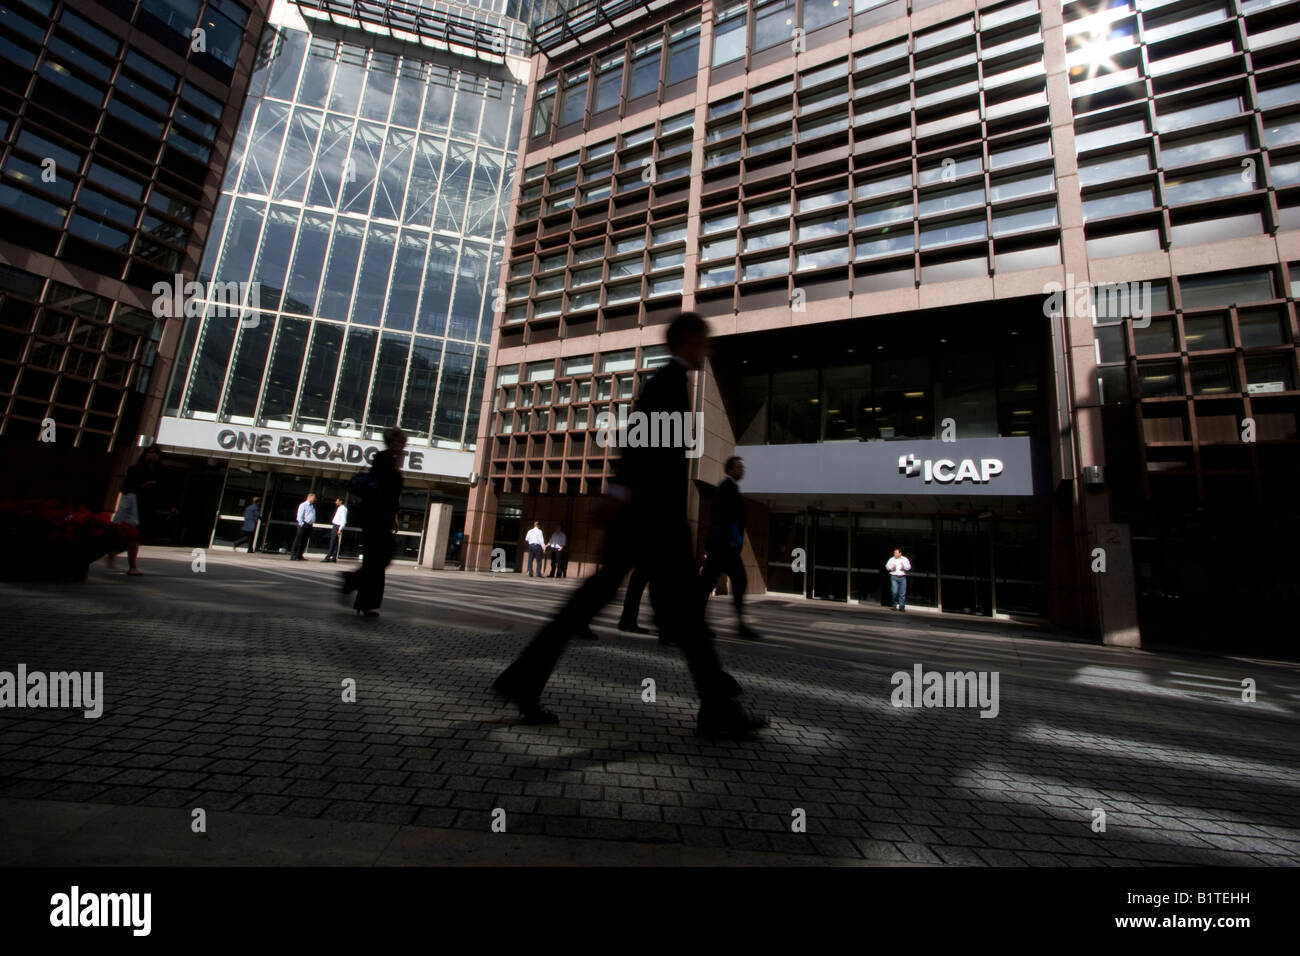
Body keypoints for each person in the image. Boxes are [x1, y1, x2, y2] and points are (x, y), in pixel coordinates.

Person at [493, 312, 766, 738]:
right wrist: (623, 495)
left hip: (643, 522)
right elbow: (644, 451)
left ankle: (523, 679)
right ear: (690, 340)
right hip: (655, 523)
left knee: (602, 604)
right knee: (685, 621)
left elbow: (639, 449)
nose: (708, 349)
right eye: (705, 342)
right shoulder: (669, 384)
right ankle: (718, 712)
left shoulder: (669, 382)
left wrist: (620, 494)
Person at [341, 428, 405, 617]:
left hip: (381, 517)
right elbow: (383, 490)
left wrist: (393, 516)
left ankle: (354, 584)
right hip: (375, 517)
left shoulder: (391, 461)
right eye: (399, 442)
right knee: (377, 559)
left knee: (377, 561)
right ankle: (359, 592)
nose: (402, 446)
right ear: (391, 442)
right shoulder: (383, 459)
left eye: (403, 443)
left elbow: (391, 494)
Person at [699, 456, 760, 641]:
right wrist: (733, 539)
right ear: (730, 469)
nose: (743, 470)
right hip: (723, 547)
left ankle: (738, 624)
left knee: (708, 584)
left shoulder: (730, 488)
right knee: (726, 582)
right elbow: (726, 518)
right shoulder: (727, 488)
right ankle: (738, 625)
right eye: (739, 466)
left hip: (723, 546)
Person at [107, 445, 163, 576]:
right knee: (134, 537)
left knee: (138, 537)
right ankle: (132, 566)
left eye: (156, 454)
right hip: (134, 508)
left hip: (147, 508)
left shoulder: (158, 472)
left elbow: (161, 492)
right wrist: (142, 485)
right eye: (150, 453)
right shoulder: (135, 470)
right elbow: (125, 488)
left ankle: (114, 552)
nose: (153, 456)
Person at [290, 492, 316, 560]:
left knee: (304, 541)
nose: (314, 500)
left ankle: (299, 555)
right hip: (303, 524)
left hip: (309, 525)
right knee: (298, 540)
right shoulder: (303, 505)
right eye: (313, 498)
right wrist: (302, 523)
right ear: (309, 497)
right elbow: (299, 515)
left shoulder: (312, 506)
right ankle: (293, 555)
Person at [323, 497, 347, 562]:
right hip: (335, 525)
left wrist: (340, 529)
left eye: (337, 501)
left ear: (341, 501)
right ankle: (333, 557)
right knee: (335, 542)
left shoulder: (343, 509)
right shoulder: (339, 508)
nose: (336, 502)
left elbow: (343, 520)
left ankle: (328, 557)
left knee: (332, 541)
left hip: (337, 526)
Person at [886, 547, 911, 611]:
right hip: (894, 577)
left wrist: (904, 567)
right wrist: (892, 568)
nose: (895, 554)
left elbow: (909, 567)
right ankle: (894, 605)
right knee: (894, 592)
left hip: (902, 577)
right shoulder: (891, 559)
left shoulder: (904, 559)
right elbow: (887, 567)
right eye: (894, 552)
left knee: (902, 593)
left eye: (896, 553)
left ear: (900, 553)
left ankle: (902, 606)